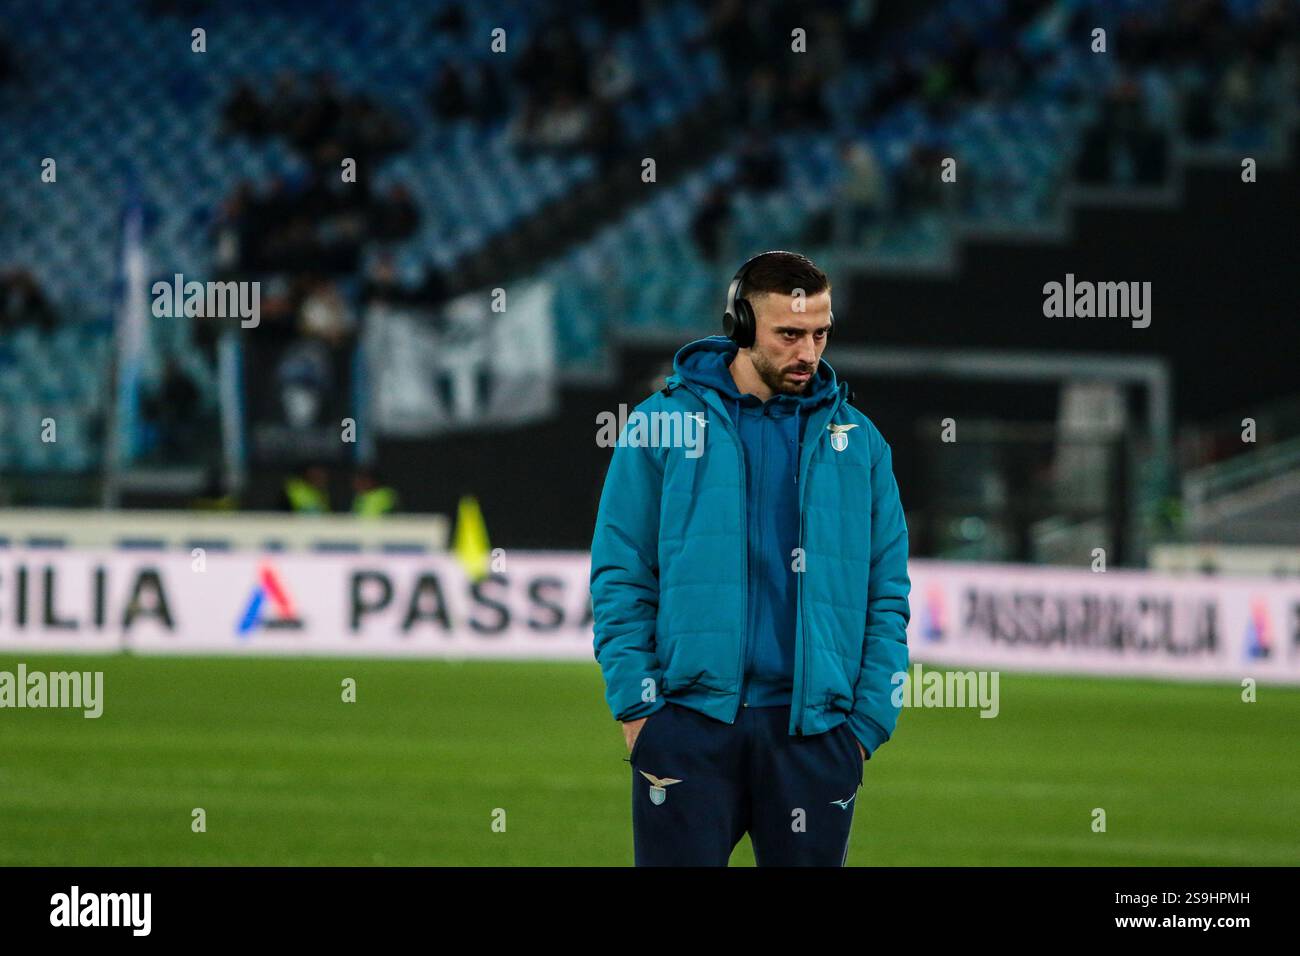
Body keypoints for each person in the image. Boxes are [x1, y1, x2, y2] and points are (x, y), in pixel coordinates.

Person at [590, 250, 911, 866]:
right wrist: (640, 709)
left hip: (817, 738)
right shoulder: (661, 425)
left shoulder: (862, 444)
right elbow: (621, 572)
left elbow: (887, 592)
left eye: (820, 334)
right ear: (740, 325)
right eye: (789, 334)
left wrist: (865, 726)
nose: (808, 353)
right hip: (687, 727)